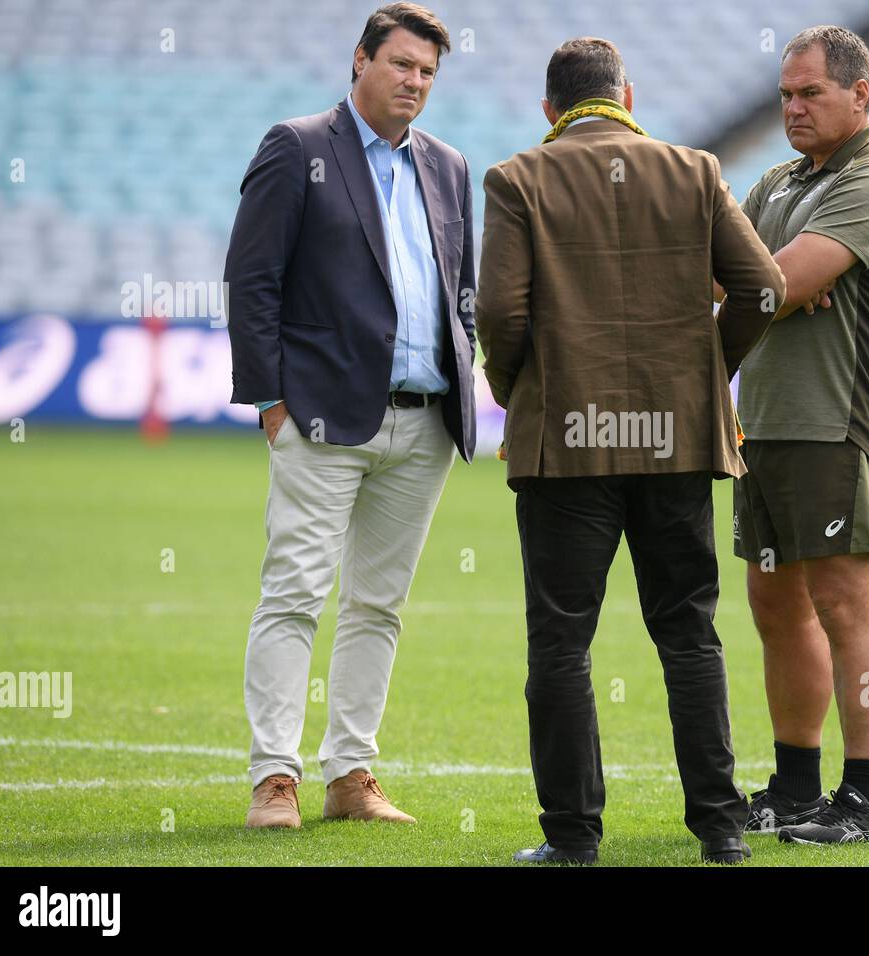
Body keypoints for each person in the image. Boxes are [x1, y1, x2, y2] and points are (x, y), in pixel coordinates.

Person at [476, 37, 785, 864]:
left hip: (565, 446)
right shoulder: (693, 171)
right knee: (689, 635)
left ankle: (573, 840)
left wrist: (517, 391)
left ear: (551, 109)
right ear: (628, 97)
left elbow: (501, 314)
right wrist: (703, 373)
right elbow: (765, 287)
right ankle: (721, 829)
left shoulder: (517, 180)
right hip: (675, 442)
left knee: (561, 643)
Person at [224, 2, 476, 828]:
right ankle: (274, 779)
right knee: (294, 592)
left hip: (426, 421)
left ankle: (351, 774)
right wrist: (270, 400)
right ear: (360, 60)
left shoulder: (449, 164)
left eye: (428, 72)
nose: (415, 83)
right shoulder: (297, 148)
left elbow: (459, 289)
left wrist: (468, 374)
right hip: (322, 418)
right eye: (401, 64)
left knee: (379, 605)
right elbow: (251, 279)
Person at [729, 25, 869, 845]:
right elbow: (733, 275)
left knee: (845, 601)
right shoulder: (778, 179)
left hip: (841, 426)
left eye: (810, 93)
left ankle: (864, 798)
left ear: (860, 94)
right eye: (785, 94)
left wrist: (776, 281)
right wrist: (771, 282)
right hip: (765, 424)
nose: (793, 108)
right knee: (774, 602)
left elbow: (776, 281)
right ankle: (797, 787)